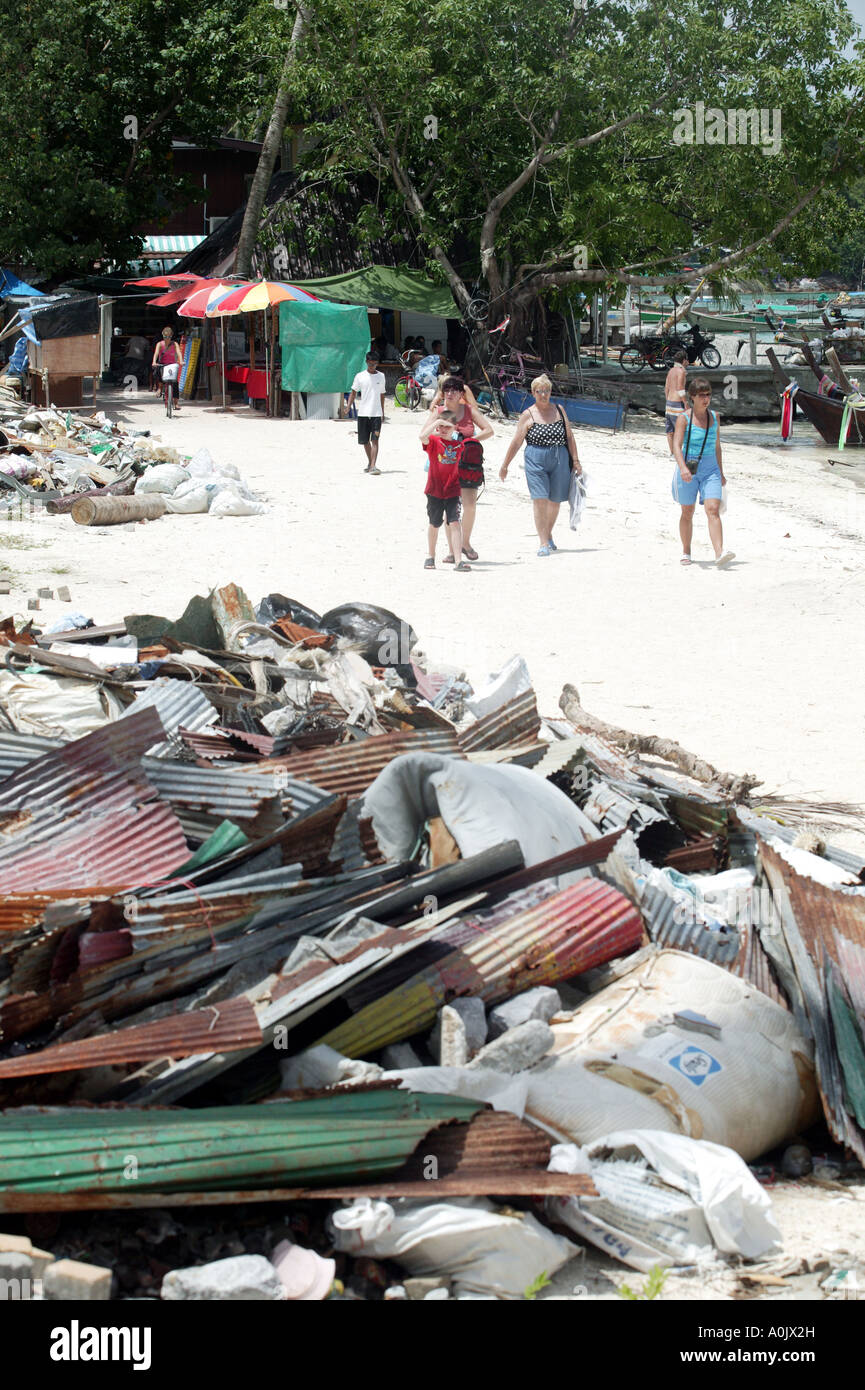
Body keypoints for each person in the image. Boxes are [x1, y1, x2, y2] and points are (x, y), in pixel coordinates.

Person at [499, 374, 581, 555]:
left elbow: (569, 436)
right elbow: (516, 442)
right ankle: (543, 542)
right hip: (536, 458)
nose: (543, 394)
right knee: (540, 498)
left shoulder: (559, 410)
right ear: (533, 393)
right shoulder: (528, 414)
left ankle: (548, 533)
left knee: (555, 500)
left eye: (547, 391)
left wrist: (575, 460)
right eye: (539, 391)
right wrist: (505, 465)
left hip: (559, 457)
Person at [422, 376, 492, 561]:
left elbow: (489, 430)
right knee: (449, 508)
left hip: (468, 463)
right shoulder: (438, 411)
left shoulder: (469, 410)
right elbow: (424, 434)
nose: (450, 394)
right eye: (447, 390)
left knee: (469, 506)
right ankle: (453, 550)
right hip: (444, 465)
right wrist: (442, 433)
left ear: (462, 393)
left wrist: (468, 441)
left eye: (454, 390)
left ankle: (465, 543)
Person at [672, 378, 734, 567]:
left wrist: (721, 472)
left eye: (708, 395)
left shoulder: (715, 417)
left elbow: (717, 447)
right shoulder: (684, 418)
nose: (706, 399)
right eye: (701, 395)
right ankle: (686, 551)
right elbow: (676, 445)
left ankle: (719, 552)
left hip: (710, 469)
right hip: (689, 466)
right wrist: (682, 467)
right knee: (687, 511)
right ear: (692, 397)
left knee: (713, 509)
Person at [419, 409, 471, 571]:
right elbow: (422, 436)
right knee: (435, 523)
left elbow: (472, 437)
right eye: (441, 427)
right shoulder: (433, 441)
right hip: (434, 490)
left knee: (454, 522)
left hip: (453, 491)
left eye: (447, 427)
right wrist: (436, 423)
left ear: (455, 427)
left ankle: (458, 560)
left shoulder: (459, 446)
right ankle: (430, 556)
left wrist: (452, 428)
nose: (443, 430)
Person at [348, 350, 386, 474]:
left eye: (374, 364)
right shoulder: (360, 376)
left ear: (377, 363)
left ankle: (373, 465)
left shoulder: (381, 376)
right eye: (370, 364)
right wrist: (348, 407)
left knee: (375, 439)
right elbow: (353, 392)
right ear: (366, 362)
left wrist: (382, 412)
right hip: (363, 412)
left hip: (376, 413)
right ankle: (370, 463)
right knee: (365, 441)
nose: (372, 366)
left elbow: (382, 394)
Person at [152, 327, 182, 410]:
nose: (167, 339)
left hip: (172, 365)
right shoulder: (159, 344)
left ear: (171, 336)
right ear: (163, 336)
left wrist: (181, 361)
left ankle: (176, 403)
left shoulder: (175, 344)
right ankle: (160, 388)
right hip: (162, 364)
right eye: (165, 337)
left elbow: (179, 353)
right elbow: (156, 354)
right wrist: (154, 362)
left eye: (168, 337)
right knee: (157, 371)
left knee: (175, 383)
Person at [664, 351, 688, 455]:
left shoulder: (671, 371)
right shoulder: (681, 371)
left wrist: (668, 400)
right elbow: (680, 388)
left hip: (669, 403)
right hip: (678, 404)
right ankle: (678, 453)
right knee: (680, 431)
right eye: (687, 360)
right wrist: (686, 403)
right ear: (684, 360)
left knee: (670, 431)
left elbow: (666, 388)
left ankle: (672, 453)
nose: (688, 362)